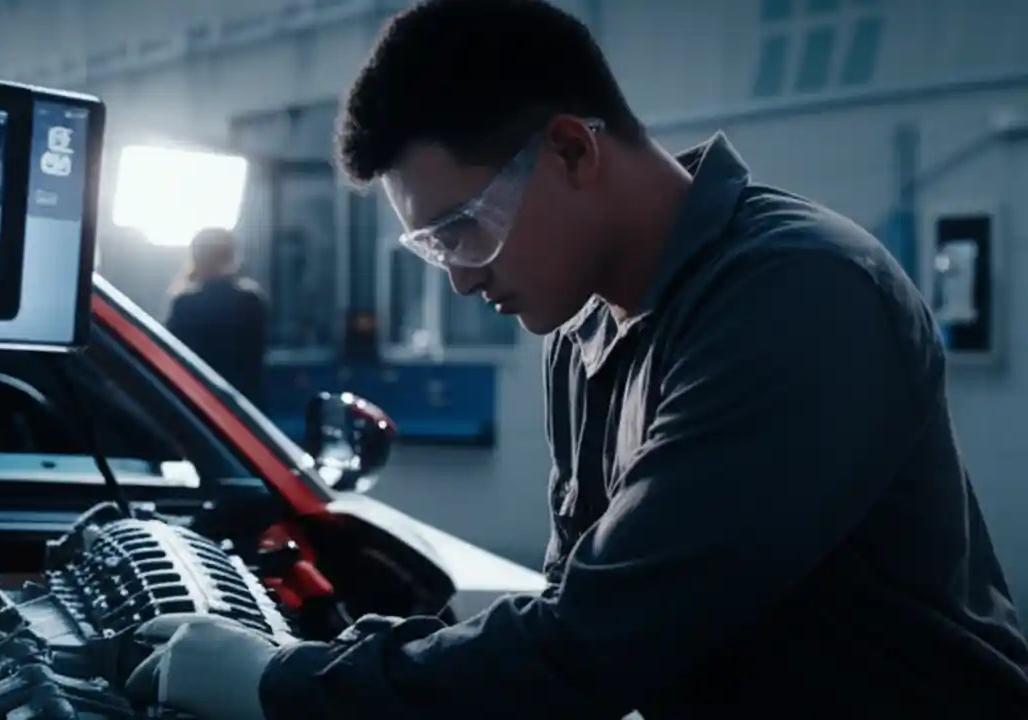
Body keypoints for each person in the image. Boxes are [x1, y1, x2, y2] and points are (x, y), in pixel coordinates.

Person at [127, 1, 1028, 717]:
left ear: (570, 148)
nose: (463, 283)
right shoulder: (586, 331)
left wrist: (281, 684)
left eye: (461, 231)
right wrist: (335, 660)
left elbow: (594, 644)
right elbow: (572, 607)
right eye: (434, 253)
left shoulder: (800, 295)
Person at [165, 227, 268, 406]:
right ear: (233, 256)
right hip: (242, 408)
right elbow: (255, 364)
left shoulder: (184, 304)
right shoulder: (250, 302)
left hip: (195, 405)